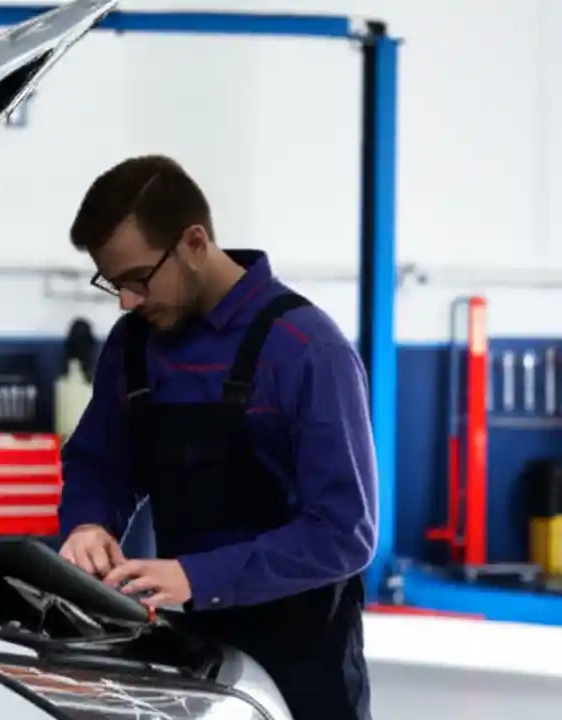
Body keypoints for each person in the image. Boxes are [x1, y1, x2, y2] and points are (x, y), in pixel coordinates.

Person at [56, 154, 378, 720]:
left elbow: (345, 532)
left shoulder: (307, 350)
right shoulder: (134, 346)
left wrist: (195, 577)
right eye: (113, 285)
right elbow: (101, 463)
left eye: (137, 279)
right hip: (189, 658)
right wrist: (90, 523)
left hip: (304, 673)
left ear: (195, 243)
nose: (128, 301)